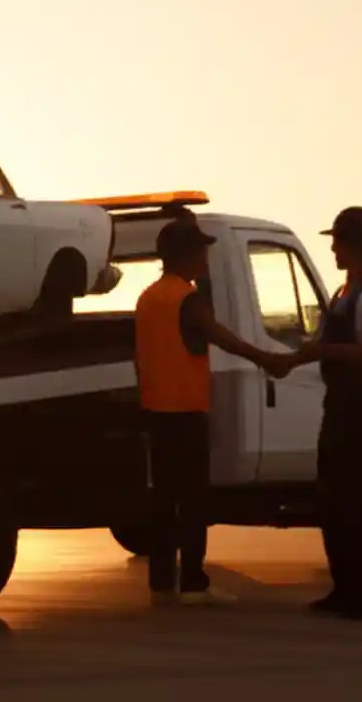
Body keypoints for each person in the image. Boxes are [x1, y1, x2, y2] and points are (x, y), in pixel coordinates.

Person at [134, 208, 288, 605]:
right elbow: (221, 336)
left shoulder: (148, 298)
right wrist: (266, 358)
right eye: (201, 251)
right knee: (193, 501)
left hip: (156, 412)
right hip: (186, 413)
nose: (205, 259)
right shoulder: (187, 299)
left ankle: (161, 580)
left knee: (163, 501)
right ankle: (193, 581)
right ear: (185, 255)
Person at [277, 206, 362, 621]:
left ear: (354, 243)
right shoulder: (343, 292)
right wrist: (290, 359)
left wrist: (319, 352)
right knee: (336, 499)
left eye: (336, 241)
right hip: (341, 404)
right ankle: (345, 587)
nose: (332, 249)